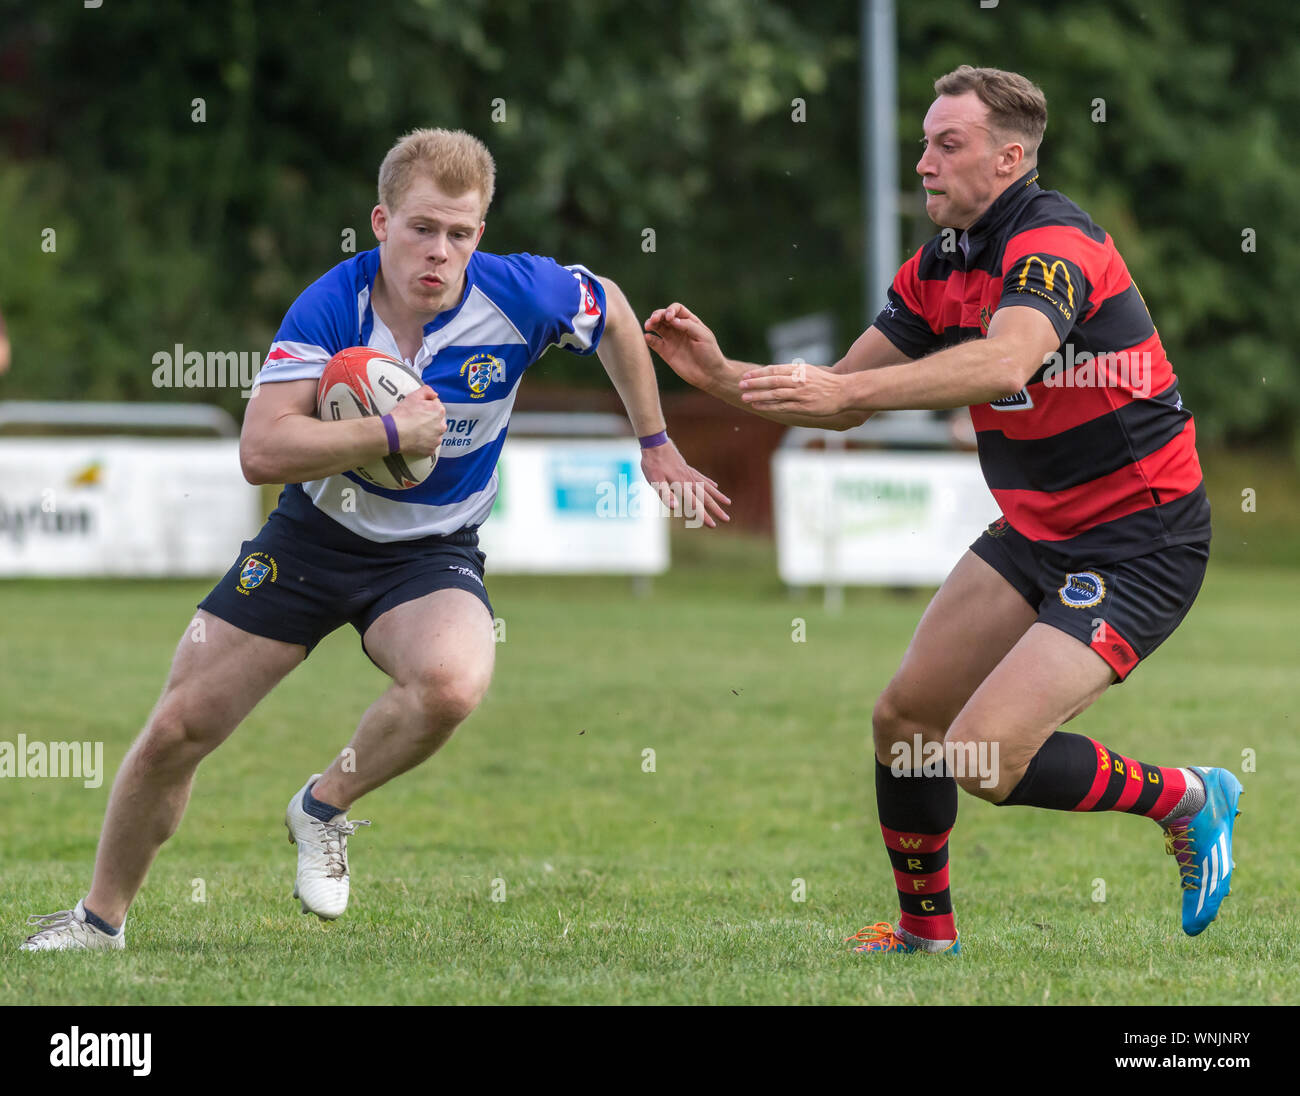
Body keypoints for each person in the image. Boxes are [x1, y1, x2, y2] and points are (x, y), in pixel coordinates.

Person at [22, 127, 729, 951]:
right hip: (310, 540)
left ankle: (322, 806)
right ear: (381, 221)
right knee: (179, 728)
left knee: (453, 683)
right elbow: (261, 451)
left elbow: (608, 308)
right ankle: (98, 922)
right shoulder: (332, 304)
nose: (439, 251)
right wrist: (391, 430)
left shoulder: (520, 296)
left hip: (432, 554)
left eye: (460, 234)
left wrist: (654, 444)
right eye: (422, 228)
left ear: (480, 235)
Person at [645, 66, 1240, 954]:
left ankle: (1188, 799)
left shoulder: (1054, 242)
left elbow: (1005, 363)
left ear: (1008, 158)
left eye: (945, 144)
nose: (922, 162)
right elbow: (840, 397)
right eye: (923, 142)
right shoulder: (940, 264)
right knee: (905, 724)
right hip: (1037, 530)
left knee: (984, 758)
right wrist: (726, 376)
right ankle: (927, 937)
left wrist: (849, 390)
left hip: (1140, 543)